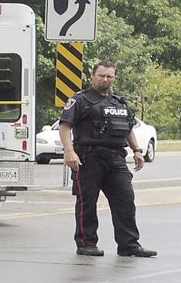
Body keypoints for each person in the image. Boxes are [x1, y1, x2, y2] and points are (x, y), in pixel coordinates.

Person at [59, 62, 157, 258]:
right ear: (92, 76)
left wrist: (137, 150)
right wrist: (69, 152)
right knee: (87, 202)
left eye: (109, 76)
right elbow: (65, 126)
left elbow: (128, 128)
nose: (105, 79)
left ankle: (129, 245)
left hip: (116, 158)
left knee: (126, 200)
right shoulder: (80, 100)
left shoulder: (119, 103)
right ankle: (86, 243)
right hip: (88, 157)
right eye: (101, 75)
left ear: (114, 78)